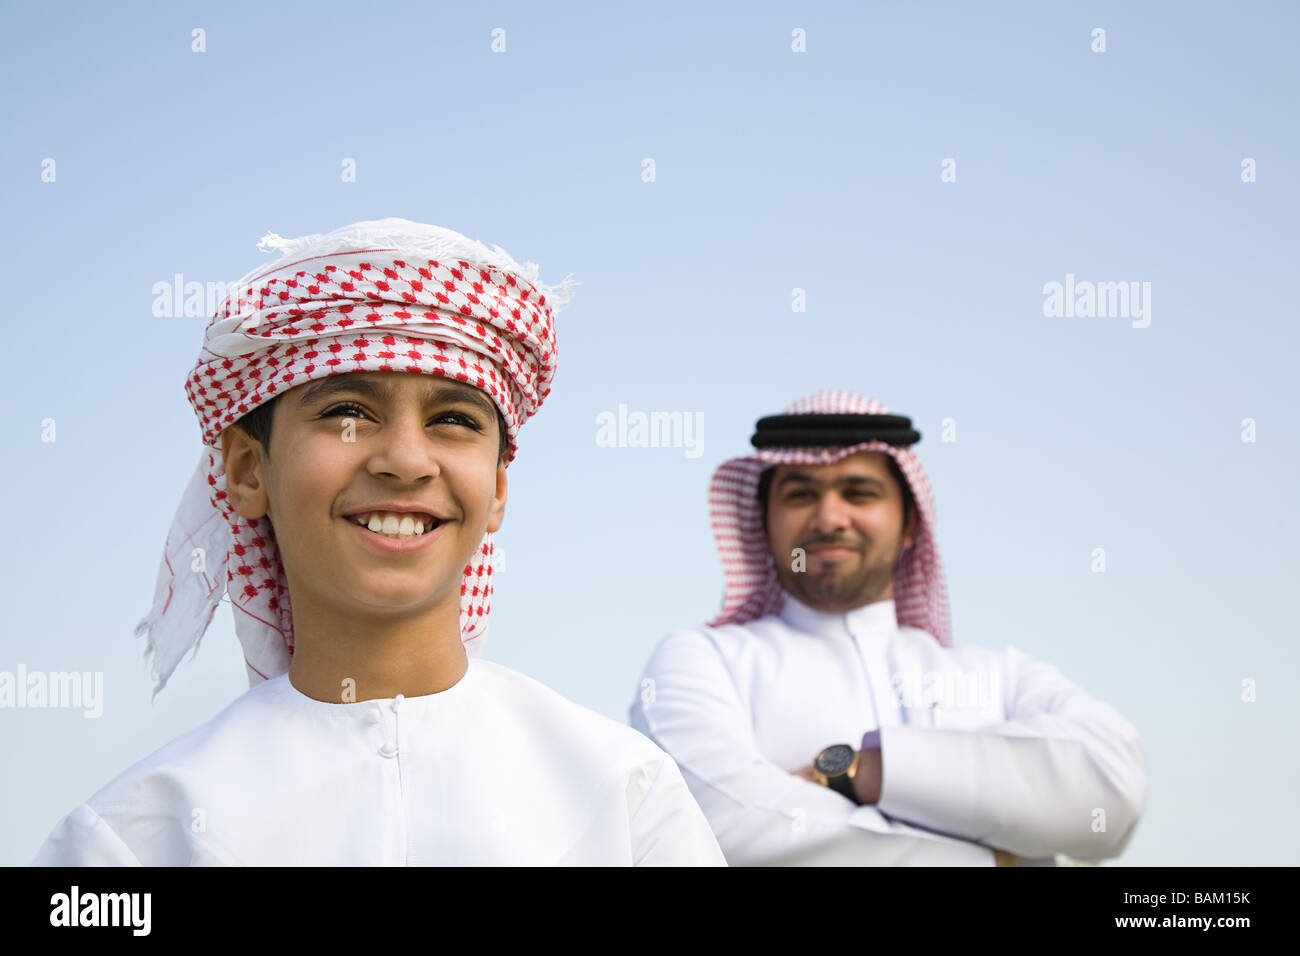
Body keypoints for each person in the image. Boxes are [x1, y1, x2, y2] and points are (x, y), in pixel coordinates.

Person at [33, 217, 725, 866]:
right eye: (346, 411)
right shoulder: (139, 835)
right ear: (247, 471)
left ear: (498, 493)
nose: (405, 460)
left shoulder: (625, 798)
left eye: (452, 419)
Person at [630, 389, 1145, 865]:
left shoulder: (998, 675)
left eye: (859, 493)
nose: (829, 517)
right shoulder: (703, 659)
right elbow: (717, 826)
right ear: (762, 522)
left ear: (911, 522)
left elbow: (1113, 789)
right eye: (800, 494)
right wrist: (988, 858)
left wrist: (863, 772)